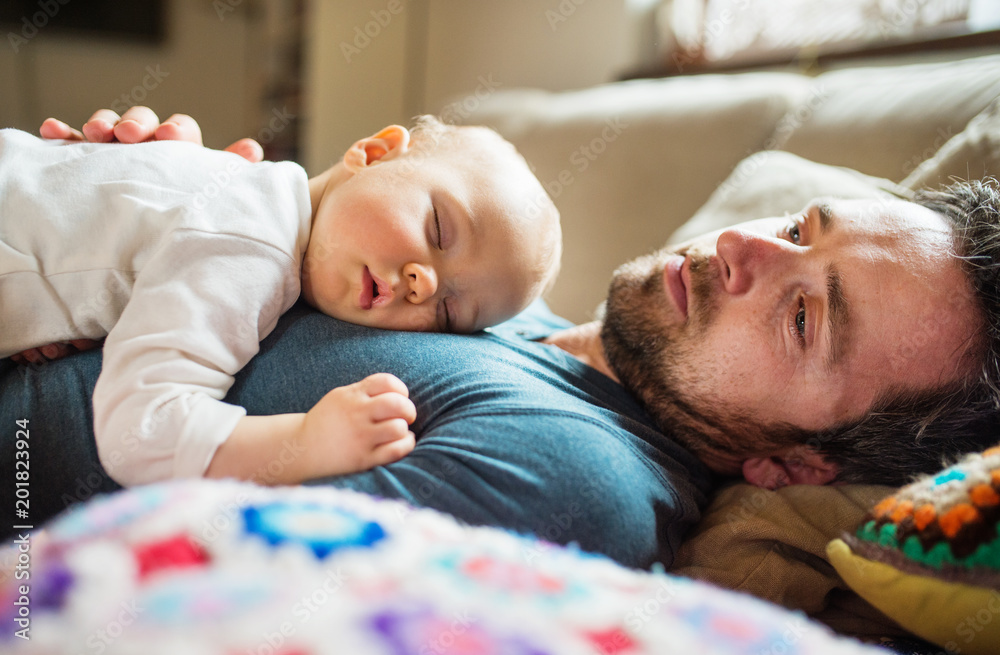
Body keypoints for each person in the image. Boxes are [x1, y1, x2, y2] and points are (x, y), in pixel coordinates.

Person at [2, 109, 997, 571]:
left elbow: (171, 586)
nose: (741, 247)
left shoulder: (573, 475)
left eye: (801, 316)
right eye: (793, 229)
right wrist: (135, 210)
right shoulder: (494, 298)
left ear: (793, 463)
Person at [0, 111, 561, 489]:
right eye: (439, 229)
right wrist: (307, 442)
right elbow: (138, 434)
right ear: (376, 151)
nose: (426, 283)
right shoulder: (254, 241)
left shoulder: (243, 187)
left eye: (448, 313)